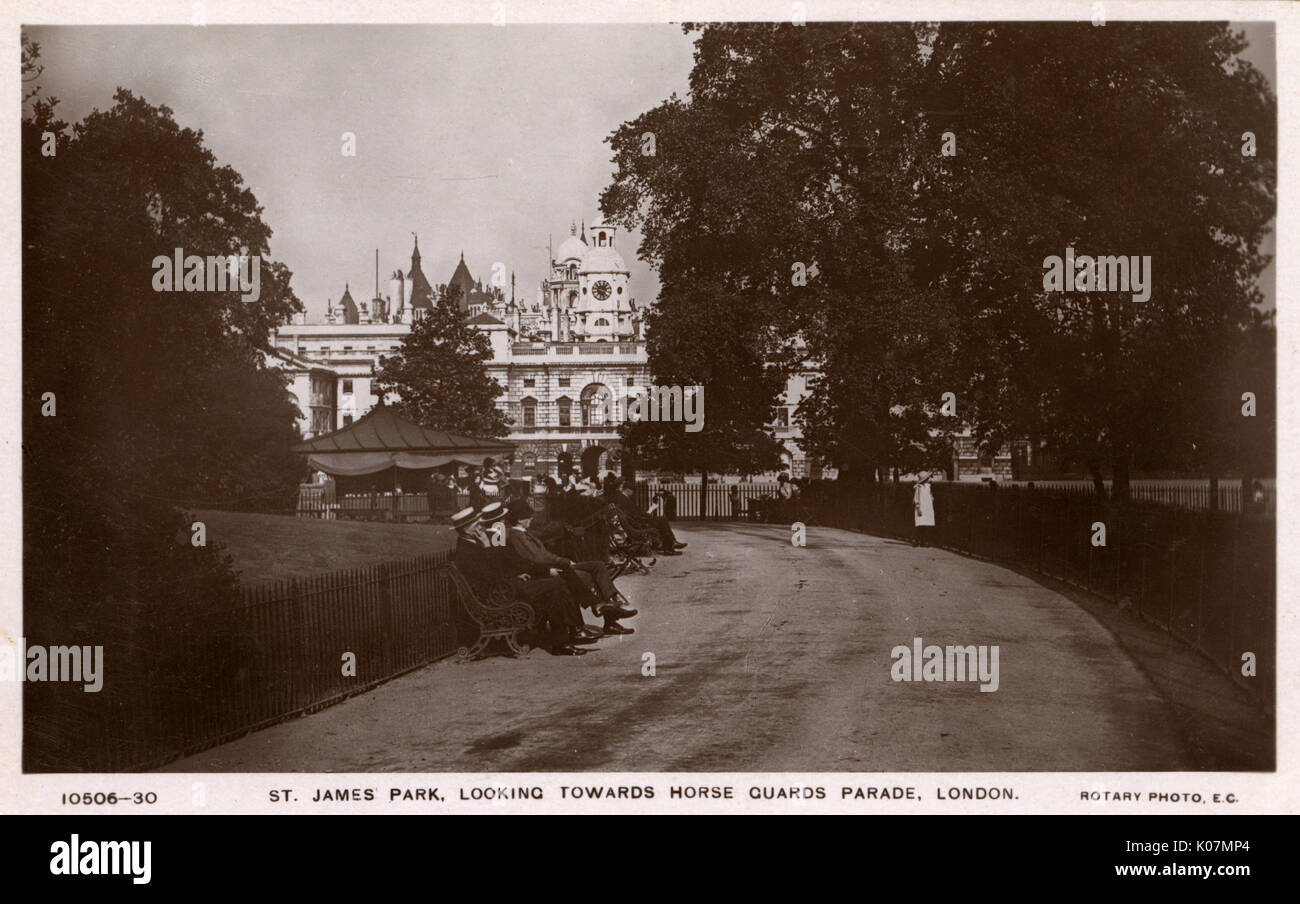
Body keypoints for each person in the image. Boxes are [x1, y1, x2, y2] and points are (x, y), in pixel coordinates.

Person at [449, 506, 598, 656]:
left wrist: (517, 573)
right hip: (499, 595)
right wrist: (488, 546)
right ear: (466, 529)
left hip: (504, 588)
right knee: (556, 585)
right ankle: (568, 637)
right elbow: (493, 574)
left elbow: (501, 565)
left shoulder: (476, 542)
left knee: (557, 585)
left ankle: (566, 638)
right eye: (477, 525)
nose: (481, 527)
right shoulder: (466, 551)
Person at [499, 499, 637, 635]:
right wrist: (565, 561)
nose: (531, 519)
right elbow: (540, 558)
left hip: (557, 565)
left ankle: (611, 605)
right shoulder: (517, 536)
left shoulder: (524, 533)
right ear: (520, 520)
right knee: (582, 574)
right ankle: (606, 613)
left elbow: (544, 552)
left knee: (598, 565)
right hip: (552, 568)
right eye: (528, 517)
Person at [913, 471, 936, 546]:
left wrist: (931, 498)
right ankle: (917, 541)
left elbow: (930, 497)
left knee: (926, 524)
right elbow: (916, 498)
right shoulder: (919, 487)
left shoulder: (928, 487)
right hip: (921, 507)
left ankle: (924, 541)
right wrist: (918, 507)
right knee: (920, 524)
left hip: (927, 508)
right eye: (928, 478)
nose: (929, 479)